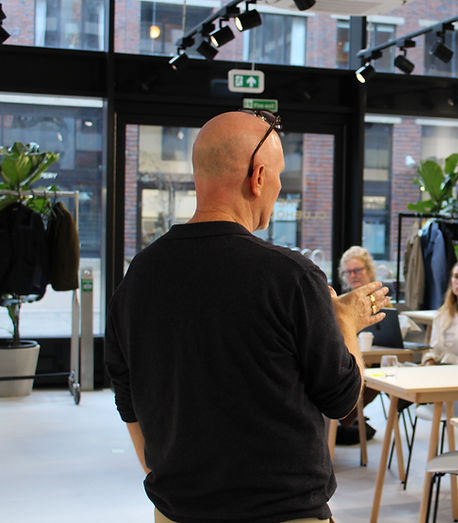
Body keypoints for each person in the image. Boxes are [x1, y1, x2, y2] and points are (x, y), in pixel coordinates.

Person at [104, 110, 390, 523]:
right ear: (257, 177)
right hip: (283, 513)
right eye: (278, 176)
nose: (278, 188)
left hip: (176, 512)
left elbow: (126, 390)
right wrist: (344, 321)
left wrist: (160, 471)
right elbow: (343, 400)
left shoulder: (139, 275)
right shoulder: (291, 278)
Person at [336, 245, 381, 444]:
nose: (353, 275)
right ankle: (341, 418)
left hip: (373, 362)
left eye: (358, 270)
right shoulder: (339, 303)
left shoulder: (381, 301)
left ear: (369, 271)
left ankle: (343, 417)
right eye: (349, 272)